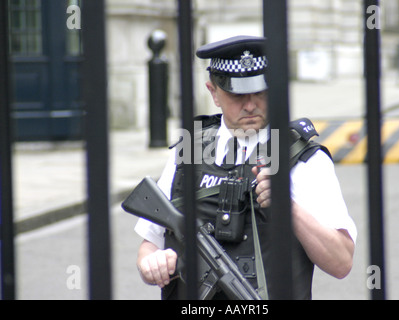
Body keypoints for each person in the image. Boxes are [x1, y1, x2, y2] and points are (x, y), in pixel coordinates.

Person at [134, 35, 357, 300]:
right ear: (213, 92)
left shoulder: (304, 160)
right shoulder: (189, 152)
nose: (250, 105)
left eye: (259, 92)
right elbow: (150, 244)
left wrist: (289, 207)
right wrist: (152, 263)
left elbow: (341, 262)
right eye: (237, 94)